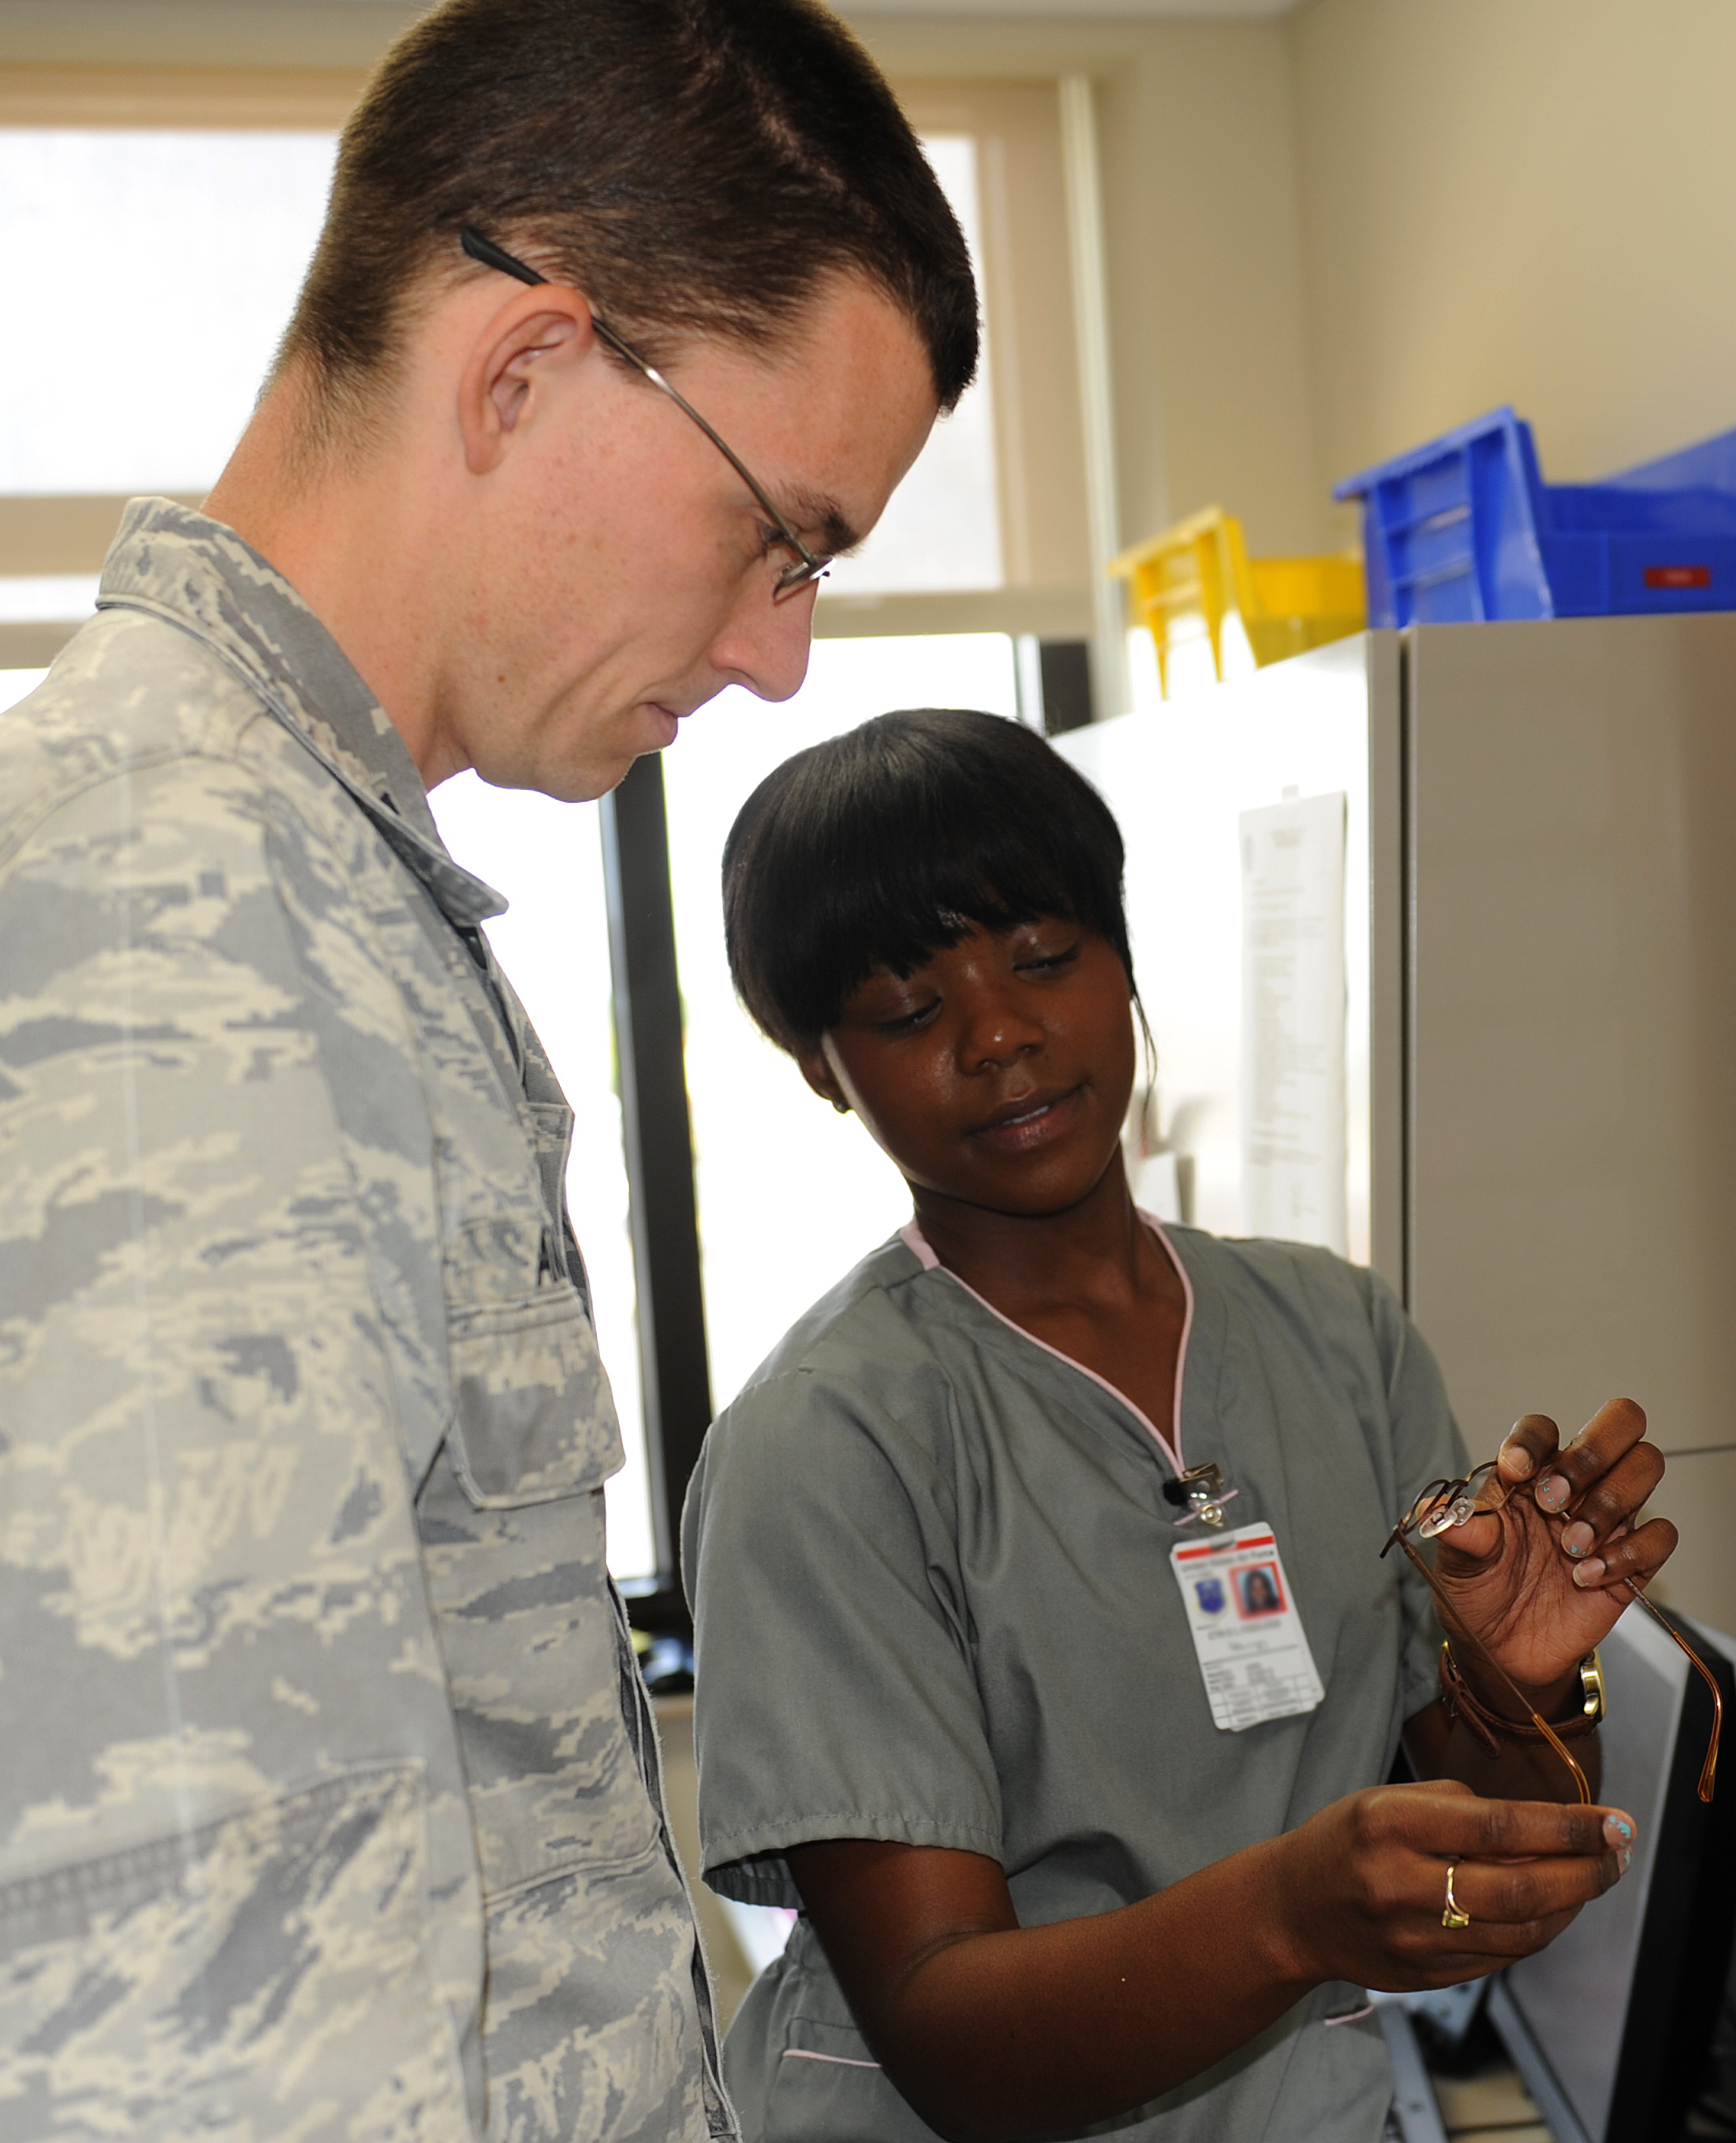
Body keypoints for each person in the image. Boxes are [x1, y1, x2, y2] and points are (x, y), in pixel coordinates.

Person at [0, 2, 973, 2134]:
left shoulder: (304, 878)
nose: (783, 652)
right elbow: (169, 2018)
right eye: (786, 534)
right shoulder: (154, 896)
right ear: (525, 366)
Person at [683, 708, 1678, 2143]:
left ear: (1124, 957)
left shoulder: (1337, 1336)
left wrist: (1506, 1689)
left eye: (1043, 960)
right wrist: (1285, 1913)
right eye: (909, 1013)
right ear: (821, 1067)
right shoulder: (827, 1447)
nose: (1001, 1035)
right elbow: (946, 2032)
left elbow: (1440, 1836)